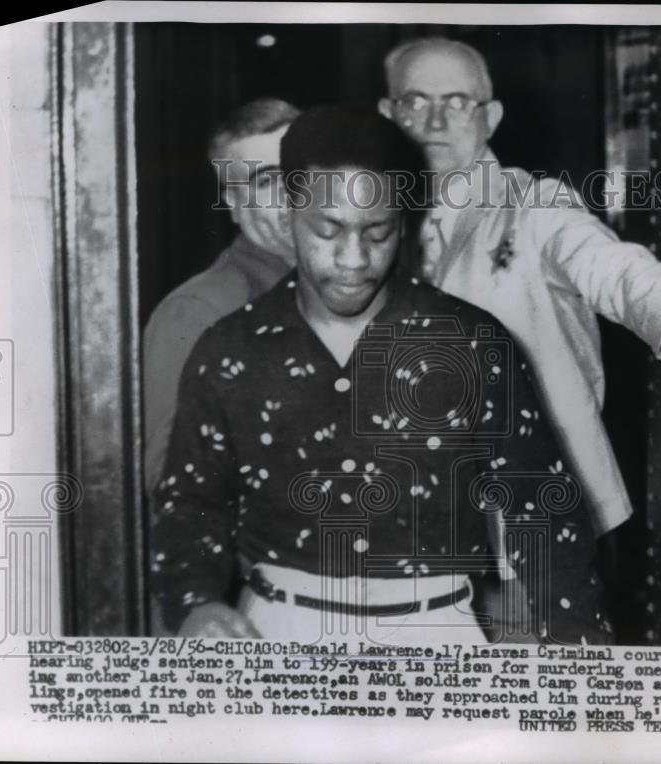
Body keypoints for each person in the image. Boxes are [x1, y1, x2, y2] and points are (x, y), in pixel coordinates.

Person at [150, 105, 613, 646]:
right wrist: (194, 602)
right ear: (290, 212)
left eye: (378, 232)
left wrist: (576, 652)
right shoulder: (229, 349)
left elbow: (541, 507)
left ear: (403, 220)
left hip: (436, 634)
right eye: (328, 231)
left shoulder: (468, 340)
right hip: (278, 633)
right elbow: (191, 502)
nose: (353, 259)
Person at [378, 37, 661, 539]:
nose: (435, 122)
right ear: (387, 113)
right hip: (428, 522)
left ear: (491, 117)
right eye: (415, 102)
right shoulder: (377, 225)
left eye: (458, 102)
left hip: (541, 525)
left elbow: (613, 269)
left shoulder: (535, 207)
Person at [143, 97, 301, 496]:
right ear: (232, 201)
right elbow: (169, 481)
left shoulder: (356, 291)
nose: (290, 195)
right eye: (266, 181)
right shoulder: (199, 312)